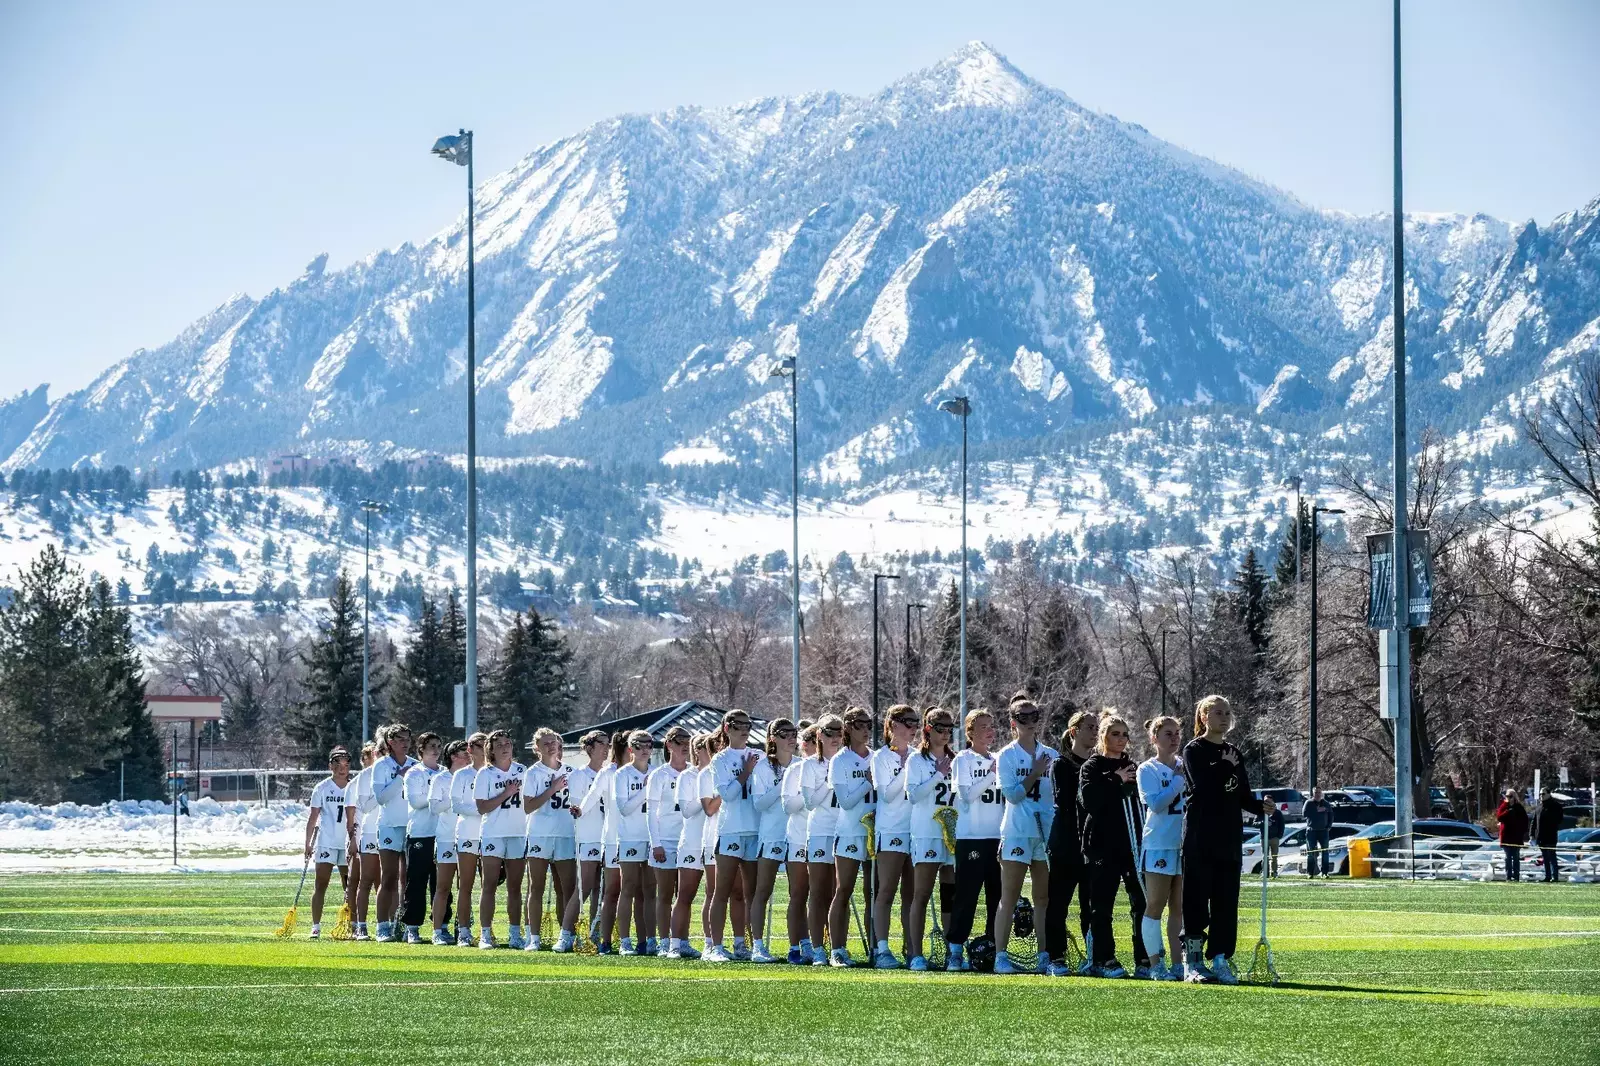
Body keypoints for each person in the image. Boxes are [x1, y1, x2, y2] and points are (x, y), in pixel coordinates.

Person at [1180, 695, 1267, 984]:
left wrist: (1259, 807)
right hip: (1200, 837)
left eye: (1228, 712)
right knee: (1196, 900)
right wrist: (1224, 766)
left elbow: (1240, 794)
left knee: (1226, 902)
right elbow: (1202, 788)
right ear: (1204, 717)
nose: (1224, 717)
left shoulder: (1233, 752)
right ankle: (1191, 963)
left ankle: (1220, 958)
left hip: (1229, 839)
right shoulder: (1194, 750)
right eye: (1218, 712)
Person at [1079, 712, 1148, 979]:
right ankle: (1103, 958)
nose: (1120, 739)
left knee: (1140, 902)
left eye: (1124, 734)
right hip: (1100, 843)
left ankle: (1143, 958)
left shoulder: (1133, 766)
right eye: (1114, 734)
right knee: (1102, 904)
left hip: (1130, 843)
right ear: (1103, 737)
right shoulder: (1092, 766)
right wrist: (1115, 780)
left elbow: (1137, 800)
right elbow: (1090, 800)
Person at [994, 698, 1059, 975]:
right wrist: (1033, 773)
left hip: (1044, 833)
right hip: (1018, 831)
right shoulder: (1006, 755)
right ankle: (1000, 956)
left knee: (1043, 899)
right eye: (1023, 717)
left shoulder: (1051, 754)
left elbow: (1055, 794)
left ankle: (1044, 954)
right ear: (1013, 722)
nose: (1030, 720)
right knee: (1009, 897)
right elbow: (1013, 795)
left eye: (1034, 715)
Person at [947, 708, 1004, 973]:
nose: (990, 730)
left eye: (991, 725)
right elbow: (967, 796)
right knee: (967, 896)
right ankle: (955, 950)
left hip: (997, 837)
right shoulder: (963, 759)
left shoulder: (998, 758)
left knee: (997, 897)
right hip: (972, 837)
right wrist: (993, 774)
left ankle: (993, 948)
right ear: (970, 731)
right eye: (983, 726)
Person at [904, 707, 957, 971]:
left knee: (950, 894)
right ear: (928, 729)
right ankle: (915, 953)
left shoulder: (957, 760)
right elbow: (913, 796)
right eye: (940, 728)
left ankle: (952, 951)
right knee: (922, 893)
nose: (946, 733)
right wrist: (937, 773)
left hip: (950, 835)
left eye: (950, 729)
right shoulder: (916, 760)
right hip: (926, 832)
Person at [706, 710, 761, 962]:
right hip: (730, 830)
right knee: (722, 890)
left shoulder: (758, 755)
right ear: (727, 728)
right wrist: (746, 772)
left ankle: (745, 944)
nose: (744, 729)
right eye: (738, 725)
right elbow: (727, 795)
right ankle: (715, 947)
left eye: (747, 725)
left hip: (754, 829)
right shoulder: (720, 759)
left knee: (749, 893)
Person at [1046, 707, 1096, 973]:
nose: (1094, 733)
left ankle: (1093, 957)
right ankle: (1056, 957)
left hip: (1091, 846)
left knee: (1092, 906)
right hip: (1066, 844)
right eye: (1089, 728)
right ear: (1075, 731)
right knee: (1059, 904)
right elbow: (1066, 802)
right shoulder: (1061, 764)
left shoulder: (1097, 764)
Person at [869, 705, 920, 969]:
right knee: (886, 890)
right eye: (908, 722)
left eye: (915, 722)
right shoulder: (880, 757)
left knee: (912, 895)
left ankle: (912, 949)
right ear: (893, 724)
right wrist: (907, 769)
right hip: (891, 829)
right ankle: (883, 949)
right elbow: (887, 795)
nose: (913, 728)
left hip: (916, 830)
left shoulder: (915, 755)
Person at [1136, 716, 1185, 980]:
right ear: (1154, 738)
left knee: (1179, 907)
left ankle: (1179, 965)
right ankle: (1156, 964)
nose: (1174, 737)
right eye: (1168, 733)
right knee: (1155, 905)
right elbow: (1155, 804)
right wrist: (1177, 783)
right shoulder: (1147, 769)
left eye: (1177, 733)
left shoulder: (1184, 765)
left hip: (1183, 846)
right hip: (1159, 845)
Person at [827, 707, 876, 966]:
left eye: (868, 724)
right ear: (848, 727)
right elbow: (845, 802)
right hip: (849, 832)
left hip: (875, 832)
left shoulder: (877, 757)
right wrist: (868, 782)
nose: (866, 729)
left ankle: (877, 948)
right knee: (843, 890)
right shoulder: (840, 760)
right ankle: (838, 950)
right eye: (860, 724)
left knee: (874, 893)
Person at [522, 728, 577, 952]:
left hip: (565, 834)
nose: (551, 746)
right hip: (540, 833)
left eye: (553, 742)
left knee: (566, 888)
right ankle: (533, 937)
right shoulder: (533, 773)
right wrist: (552, 789)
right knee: (536, 886)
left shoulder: (571, 771)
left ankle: (566, 936)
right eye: (545, 743)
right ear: (537, 748)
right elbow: (528, 806)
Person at [749, 717, 798, 963]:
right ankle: (757, 946)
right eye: (785, 733)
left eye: (794, 733)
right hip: (771, 835)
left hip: (797, 835)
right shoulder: (763, 768)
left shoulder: (801, 764)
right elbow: (760, 803)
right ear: (773, 738)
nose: (791, 738)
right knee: (763, 891)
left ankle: (798, 945)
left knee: (798, 893)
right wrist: (784, 784)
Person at [473, 730, 528, 949]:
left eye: (508, 743)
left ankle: (515, 933)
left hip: (517, 832)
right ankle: (486, 933)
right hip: (493, 832)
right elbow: (482, 807)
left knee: (515, 887)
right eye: (499, 745)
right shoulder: (485, 774)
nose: (505, 747)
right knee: (489, 884)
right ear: (491, 750)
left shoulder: (522, 771)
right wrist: (506, 793)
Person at [573, 732, 628, 952]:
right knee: (591, 888)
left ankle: (608, 936)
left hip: (631, 838)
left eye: (607, 745)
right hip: (601, 838)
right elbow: (590, 798)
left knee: (613, 890)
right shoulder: (605, 773)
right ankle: (569, 934)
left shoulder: (644, 771)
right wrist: (580, 810)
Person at [665, 733, 712, 959]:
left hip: (712, 840)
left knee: (712, 894)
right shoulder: (688, 776)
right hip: (692, 841)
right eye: (707, 747)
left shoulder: (716, 774)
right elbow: (686, 810)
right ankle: (676, 944)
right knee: (685, 894)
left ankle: (711, 943)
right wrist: (707, 798)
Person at [802, 714, 844, 965]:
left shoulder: (846, 761)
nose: (835, 738)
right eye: (830, 733)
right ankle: (818, 949)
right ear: (819, 735)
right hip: (819, 831)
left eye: (839, 732)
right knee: (818, 893)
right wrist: (831, 780)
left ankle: (838, 948)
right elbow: (810, 802)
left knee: (840, 892)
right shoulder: (810, 765)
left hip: (844, 831)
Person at [370, 723, 416, 943]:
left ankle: (404, 924)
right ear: (390, 742)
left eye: (407, 739)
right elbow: (381, 798)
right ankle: (382, 926)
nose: (405, 743)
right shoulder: (381, 765)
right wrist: (400, 777)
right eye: (400, 739)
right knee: (388, 877)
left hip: (411, 826)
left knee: (408, 879)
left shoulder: (415, 765)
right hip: (389, 825)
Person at [648, 726, 690, 958]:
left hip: (687, 840)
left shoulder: (693, 772)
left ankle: (681, 940)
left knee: (684, 894)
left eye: (687, 740)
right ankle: (664, 941)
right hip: (665, 839)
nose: (685, 745)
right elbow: (651, 812)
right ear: (669, 745)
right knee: (665, 894)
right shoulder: (659, 775)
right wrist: (656, 843)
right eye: (679, 741)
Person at [611, 729, 655, 955]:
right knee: (628, 887)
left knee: (649, 891)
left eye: (649, 745)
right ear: (631, 749)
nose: (645, 750)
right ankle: (625, 941)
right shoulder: (622, 775)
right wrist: (646, 789)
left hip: (652, 837)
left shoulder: (657, 773)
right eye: (640, 746)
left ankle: (648, 939)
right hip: (629, 836)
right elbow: (625, 809)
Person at [565, 730, 609, 940]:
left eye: (608, 744)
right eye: (602, 744)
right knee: (584, 887)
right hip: (589, 835)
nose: (606, 748)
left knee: (603, 890)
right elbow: (578, 807)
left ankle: (595, 935)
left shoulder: (611, 773)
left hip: (607, 836)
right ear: (590, 747)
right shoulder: (579, 775)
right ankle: (566, 935)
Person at [401, 731, 445, 944]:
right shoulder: (414, 773)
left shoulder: (445, 773)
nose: (436, 750)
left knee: (441, 883)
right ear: (421, 751)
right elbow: (416, 802)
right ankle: (412, 927)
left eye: (438, 746)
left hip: (442, 834)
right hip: (420, 833)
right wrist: (437, 798)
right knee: (417, 881)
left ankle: (442, 925)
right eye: (431, 746)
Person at [304, 746, 352, 939]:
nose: (342, 768)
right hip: (326, 842)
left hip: (348, 843)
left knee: (348, 885)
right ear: (330, 765)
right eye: (338, 764)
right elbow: (313, 816)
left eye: (346, 764)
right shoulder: (322, 788)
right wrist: (307, 844)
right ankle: (316, 926)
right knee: (320, 884)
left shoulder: (353, 786)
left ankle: (349, 923)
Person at [781, 723, 819, 963]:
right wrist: (811, 798)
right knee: (798, 893)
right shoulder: (795, 770)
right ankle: (796, 945)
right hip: (797, 837)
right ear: (805, 745)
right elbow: (788, 805)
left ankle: (817, 944)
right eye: (815, 741)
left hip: (820, 836)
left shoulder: (827, 766)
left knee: (820, 893)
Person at [428, 740, 469, 944]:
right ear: (453, 756)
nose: (469, 755)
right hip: (446, 837)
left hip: (468, 836)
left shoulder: (473, 775)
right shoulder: (441, 778)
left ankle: (463, 930)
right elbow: (434, 807)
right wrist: (454, 800)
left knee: (466, 887)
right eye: (464, 752)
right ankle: (437, 931)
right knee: (442, 887)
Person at [449, 732, 488, 946]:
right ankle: (463, 930)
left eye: (483, 744)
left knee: (488, 886)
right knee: (465, 884)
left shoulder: (494, 773)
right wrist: (483, 809)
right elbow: (457, 805)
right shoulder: (462, 775)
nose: (480, 749)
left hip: (491, 833)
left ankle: (486, 931)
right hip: (467, 833)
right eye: (475, 745)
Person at [343, 741, 379, 940]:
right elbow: (351, 814)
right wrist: (352, 839)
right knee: (355, 880)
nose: (369, 762)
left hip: (375, 832)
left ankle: (381, 921)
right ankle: (354, 922)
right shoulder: (356, 783)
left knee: (378, 881)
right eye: (366, 759)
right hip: (360, 834)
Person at [1496, 788, 1530, 883]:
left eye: (1510, 796)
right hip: (1506, 836)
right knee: (1508, 858)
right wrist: (1508, 811)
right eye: (1507, 796)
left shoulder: (1519, 807)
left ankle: (1516, 876)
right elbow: (1499, 817)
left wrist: (1522, 832)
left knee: (1515, 857)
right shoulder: (1503, 806)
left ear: (1514, 797)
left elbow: (1525, 821)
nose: (1508, 798)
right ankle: (1508, 876)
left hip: (1516, 837)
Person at [1533, 788, 1565, 882]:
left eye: (1543, 794)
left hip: (1550, 836)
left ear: (1549, 794)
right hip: (1541, 837)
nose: (1541, 796)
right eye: (1540, 794)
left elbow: (1560, 819)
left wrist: (1550, 824)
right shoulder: (1539, 807)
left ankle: (1555, 876)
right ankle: (1547, 876)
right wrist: (1532, 835)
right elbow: (1534, 822)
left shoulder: (1555, 806)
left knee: (1552, 857)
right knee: (1545, 858)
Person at [1302, 787, 1333, 879]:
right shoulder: (1309, 803)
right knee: (1310, 853)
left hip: (1323, 831)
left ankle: (1325, 873)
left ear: (1321, 793)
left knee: (1325, 852)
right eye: (1316, 792)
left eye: (1319, 792)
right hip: (1311, 831)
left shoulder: (1326, 804)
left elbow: (1331, 815)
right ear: (1313, 793)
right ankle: (1310, 873)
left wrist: (1329, 826)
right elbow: (1304, 814)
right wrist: (1316, 810)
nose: (1318, 794)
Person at [1265, 802, 1285, 878]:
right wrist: (1263, 822)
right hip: (1264, 838)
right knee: (1265, 857)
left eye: (1273, 806)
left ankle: (1274, 872)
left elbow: (1282, 825)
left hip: (1275, 838)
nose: (1271, 808)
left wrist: (1279, 836)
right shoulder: (1262, 812)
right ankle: (1265, 873)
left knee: (1274, 857)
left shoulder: (1278, 813)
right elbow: (1255, 823)